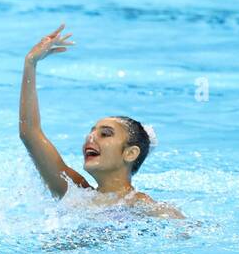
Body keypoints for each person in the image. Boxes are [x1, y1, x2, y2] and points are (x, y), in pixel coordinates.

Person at [19, 25, 183, 218]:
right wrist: (30, 64)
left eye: (105, 134)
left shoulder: (141, 207)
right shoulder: (73, 192)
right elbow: (30, 133)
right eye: (92, 131)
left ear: (130, 153)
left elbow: (188, 233)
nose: (91, 137)